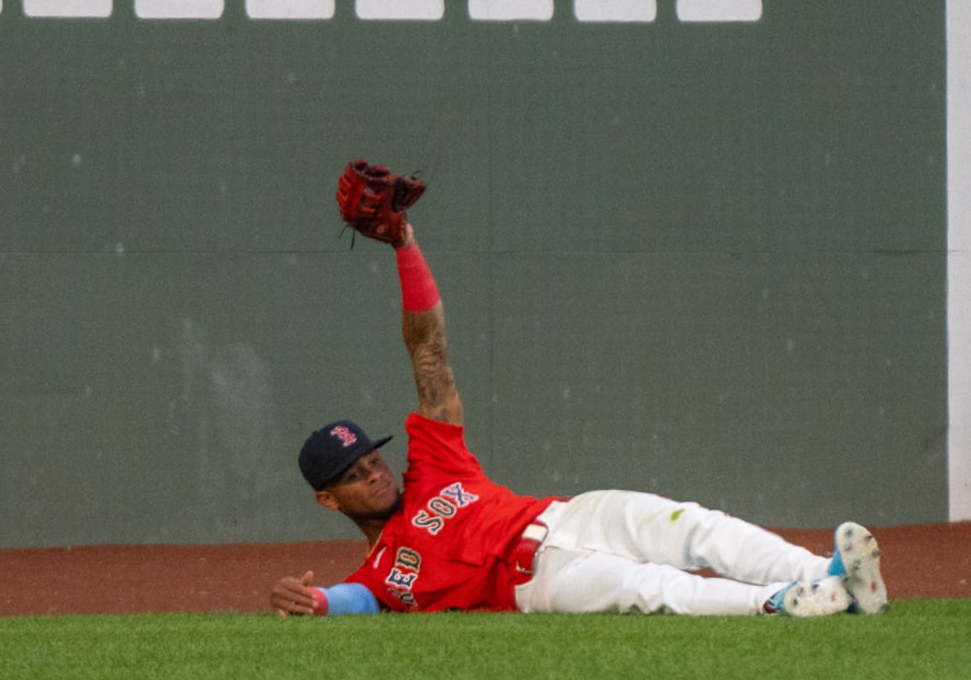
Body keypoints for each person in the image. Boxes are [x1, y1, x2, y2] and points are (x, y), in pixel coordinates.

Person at [271, 221, 887, 618]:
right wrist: (315, 599)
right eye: (356, 475)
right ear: (329, 500)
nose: (375, 474)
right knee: (649, 589)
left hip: (567, 513)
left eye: (373, 459)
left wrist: (405, 243)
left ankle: (829, 577)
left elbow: (429, 353)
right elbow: (349, 599)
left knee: (695, 526)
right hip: (540, 582)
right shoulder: (381, 576)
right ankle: (779, 603)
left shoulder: (433, 465)